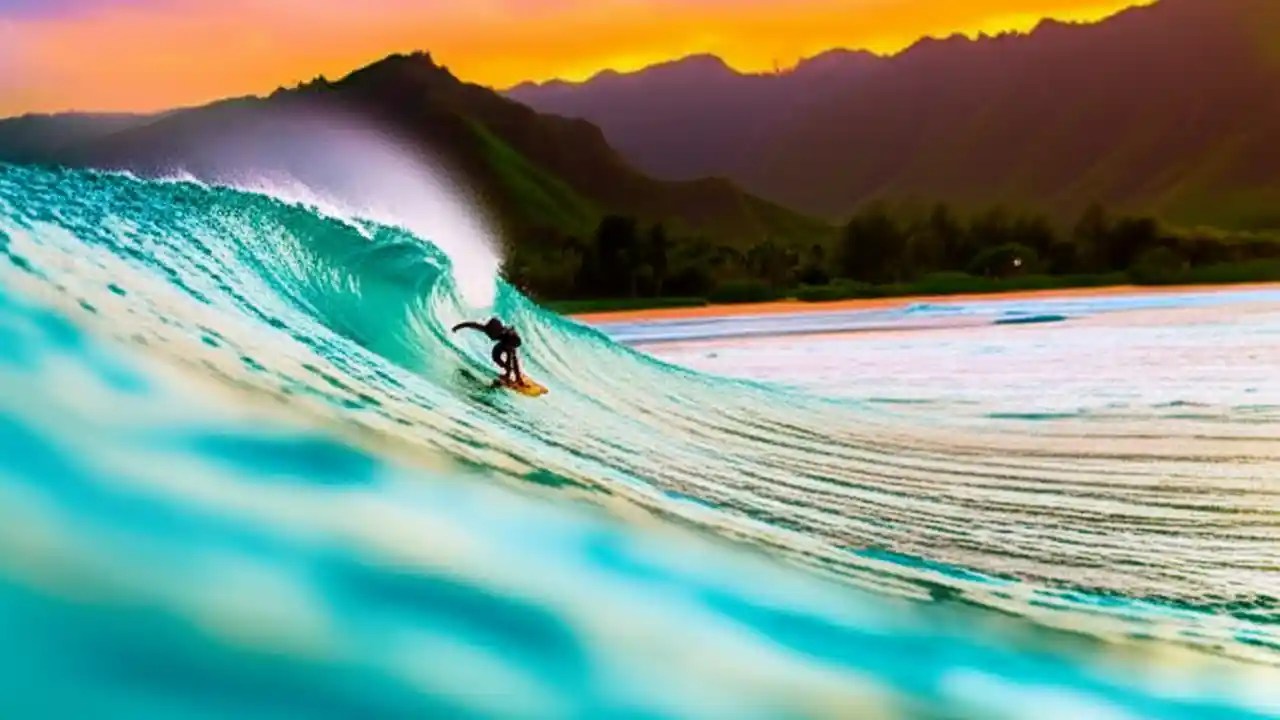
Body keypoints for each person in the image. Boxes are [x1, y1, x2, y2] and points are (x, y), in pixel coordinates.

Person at [452, 317, 524, 384]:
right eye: (492, 332)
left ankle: (517, 377)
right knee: (495, 356)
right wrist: (457, 327)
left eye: (495, 332)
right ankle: (509, 372)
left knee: (511, 354)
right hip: (505, 341)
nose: (492, 335)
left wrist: (508, 375)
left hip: (511, 340)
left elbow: (511, 358)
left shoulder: (506, 336)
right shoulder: (486, 329)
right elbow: (470, 324)